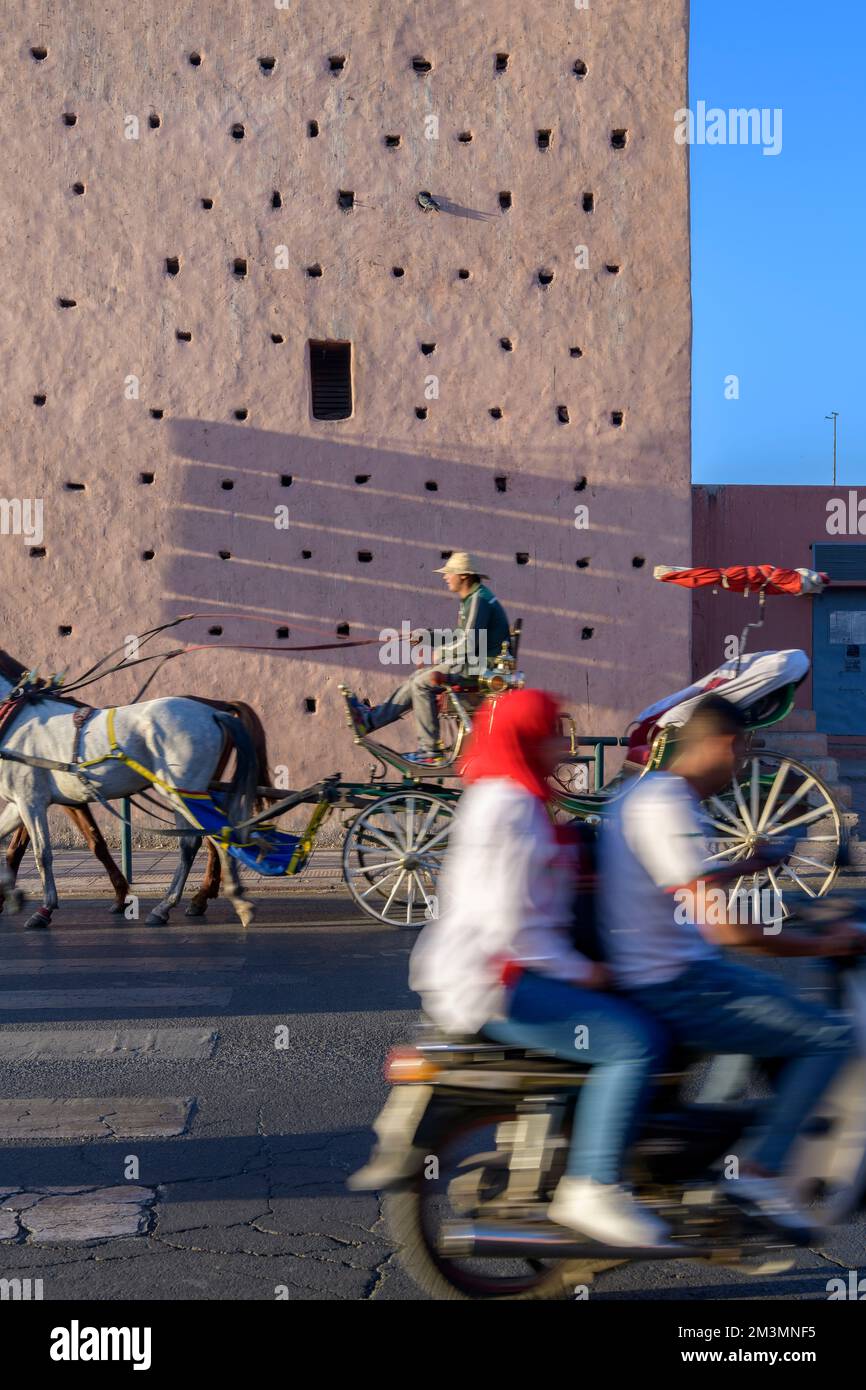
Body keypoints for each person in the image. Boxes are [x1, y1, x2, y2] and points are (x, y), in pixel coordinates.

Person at [409, 688, 671, 1247]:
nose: (562, 746)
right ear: (527, 739)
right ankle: (594, 1187)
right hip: (497, 983)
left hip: (481, 970)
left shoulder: (501, 794)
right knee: (635, 1042)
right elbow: (510, 929)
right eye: (552, 734)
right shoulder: (512, 810)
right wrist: (585, 972)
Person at [599, 693, 857, 1239]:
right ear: (725, 744)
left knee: (764, 1001)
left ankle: (715, 1152)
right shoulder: (667, 804)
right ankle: (760, 1174)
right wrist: (823, 945)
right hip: (678, 982)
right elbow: (727, 929)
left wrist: (748, 864)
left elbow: (680, 880)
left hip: (673, 970)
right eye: (742, 753)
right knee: (830, 1037)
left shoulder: (647, 795)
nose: (741, 767)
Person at [344, 551, 511, 766]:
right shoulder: (474, 598)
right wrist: (427, 636)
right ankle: (369, 720)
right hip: (476, 664)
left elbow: (467, 643)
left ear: (463, 576)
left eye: (449, 573)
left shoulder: (479, 600)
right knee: (418, 677)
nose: (445, 577)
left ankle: (430, 751)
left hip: (481, 668)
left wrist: (438, 653)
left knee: (423, 682)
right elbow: (461, 637)